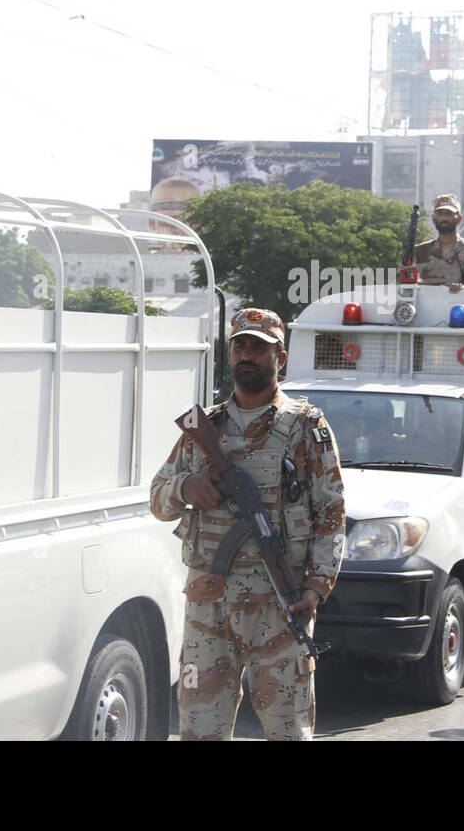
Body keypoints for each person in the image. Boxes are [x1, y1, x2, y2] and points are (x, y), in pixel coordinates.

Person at [149, 307, 345, 740]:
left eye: (260, 348)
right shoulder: (205, 428)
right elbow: (158, 499)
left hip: (279, 603)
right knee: (199, 729)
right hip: (208, 605)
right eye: (240, 346)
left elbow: (331, 512)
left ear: (281, 359)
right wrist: (186, 486)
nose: (248, 356)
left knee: (287, 729)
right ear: (229, 353)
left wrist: (317, 585)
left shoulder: (305, 427)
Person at [411, 194, 464, 292]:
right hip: (425, 304)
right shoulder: (418, 251)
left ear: (459, 218)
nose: (444, 218)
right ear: (433, 219)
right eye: (440, 214)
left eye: (448, 214)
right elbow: (404, 283)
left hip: (462, 304)